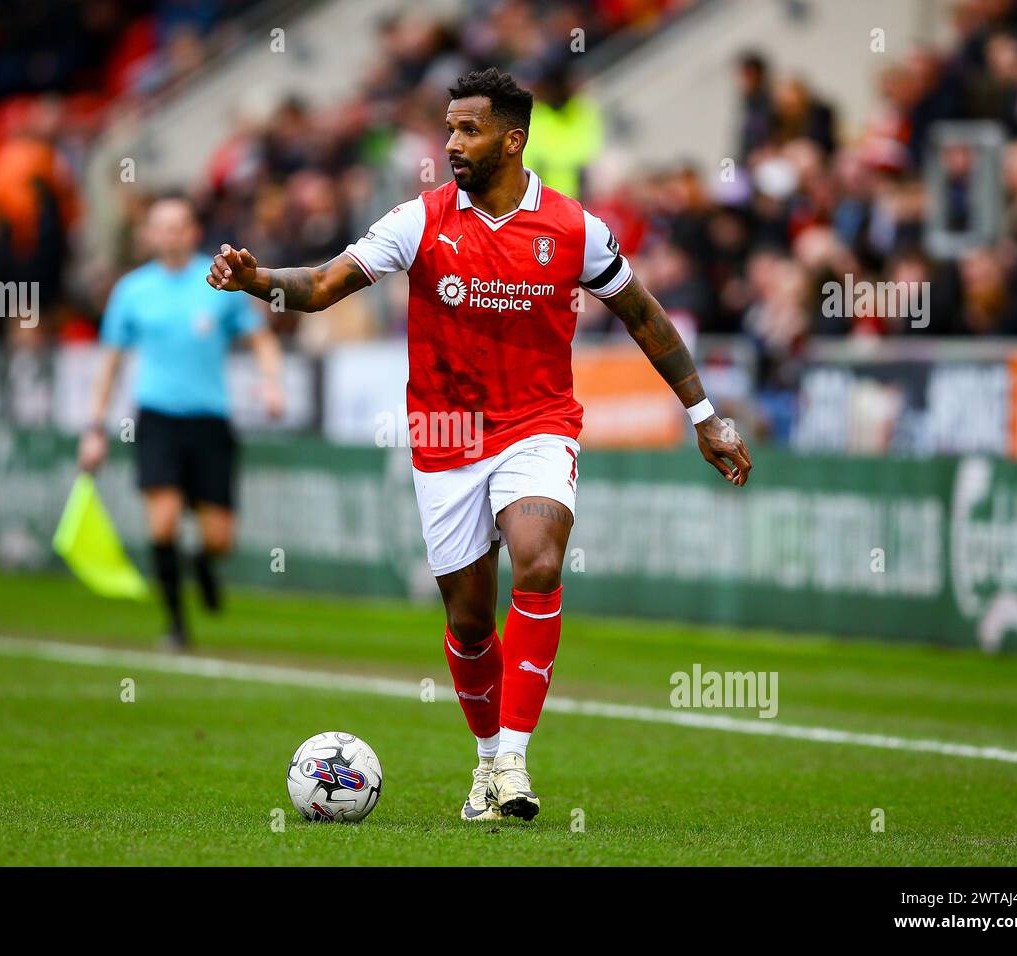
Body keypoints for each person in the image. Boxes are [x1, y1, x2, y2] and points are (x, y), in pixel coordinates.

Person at [208, 69, 751, 822]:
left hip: (539, 423)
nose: (452, 144)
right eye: (449, 129)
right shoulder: (419, 220)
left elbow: (644, 315)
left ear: (513, 139)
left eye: (468, 130)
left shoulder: (573, 229)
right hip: (445, 435)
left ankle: (515, 767)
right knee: (469, 619)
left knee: (538, 557)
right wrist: (258, 280)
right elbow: (325, 285)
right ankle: (488, 763)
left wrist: (704, 414)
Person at [79, 193, 283, 648]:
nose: (170, 233)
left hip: (210, 421)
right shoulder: (132, 290)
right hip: (157, 420)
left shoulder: (219, 285)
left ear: (193, 232)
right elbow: (110, 362)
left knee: (219, 538)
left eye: (179, 225)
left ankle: (203, 564)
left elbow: (261, 339)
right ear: (149, 234)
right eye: (161, 225)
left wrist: (271, 383)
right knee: (163, 522)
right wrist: (94, 428)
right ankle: (175, 623)